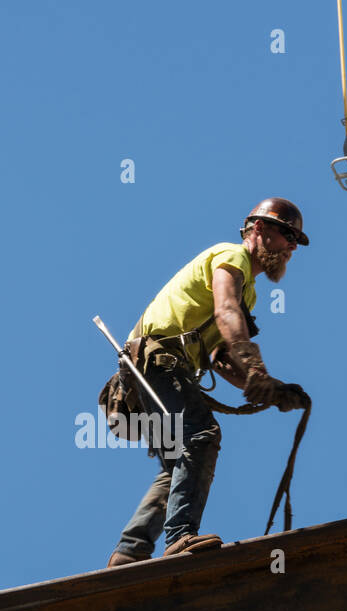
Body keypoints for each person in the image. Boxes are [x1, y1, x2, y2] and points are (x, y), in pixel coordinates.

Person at [107, 197, 310, 566]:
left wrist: (273, 389)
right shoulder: (230, 257)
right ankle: (180, 536)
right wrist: (255, 369)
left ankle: (130, 551)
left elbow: (220, 359)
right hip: (156, 363)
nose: (292, 246)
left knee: (178, 464)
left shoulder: (248, 291)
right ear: (259, 229)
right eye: (287, 234)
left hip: (155, 373)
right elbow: (226, 311)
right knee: (201, 436)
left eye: (296, 240)